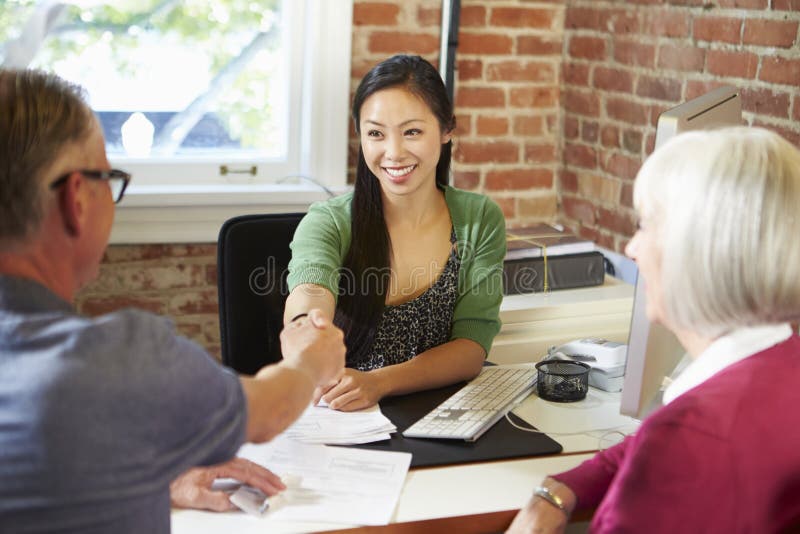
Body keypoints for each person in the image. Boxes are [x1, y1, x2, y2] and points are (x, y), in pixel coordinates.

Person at [0, 69, 346, 532]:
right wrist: (311, 363)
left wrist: (160, 478)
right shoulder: (115, 362)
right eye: (110, 177)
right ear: (77, 200)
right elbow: (266, 412)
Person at [507, 126, 800, 533]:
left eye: (645, 226)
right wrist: (559, 490)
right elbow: (654, 441)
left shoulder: (692, 437)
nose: (630, 249)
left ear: (694, 251)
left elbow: (679, 442)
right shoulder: (784, 361)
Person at [284, 54, 506, 412]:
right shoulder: (328, 221)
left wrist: (380, 382)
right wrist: (305, 329)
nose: (394, 152)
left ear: (447, 129)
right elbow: (310, 289)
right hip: (340, 414)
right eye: (375, 133)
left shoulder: (479, 219)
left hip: (437, 415)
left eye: (412, 132)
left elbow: (470, 347)